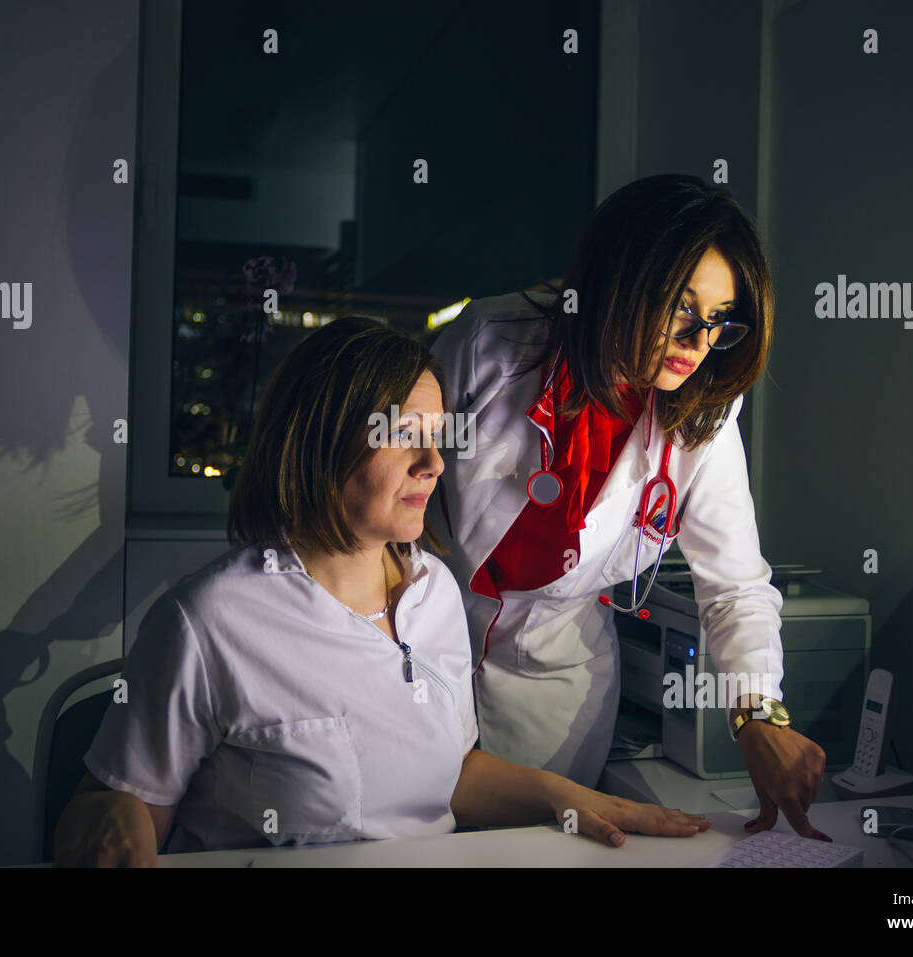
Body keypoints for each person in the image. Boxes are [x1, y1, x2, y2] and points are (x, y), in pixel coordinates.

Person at [53, 316, 712, 865]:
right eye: (403, 438)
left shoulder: (436, 595)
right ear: (320, 442)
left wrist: (564, 797)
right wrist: (116, 816)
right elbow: (120, 800)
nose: (433, 465)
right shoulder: (211, 619)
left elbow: (453, 772)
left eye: (436, 438)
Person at [426, 174, 831, 841]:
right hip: (419, 644)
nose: (699, 339)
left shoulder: (705, 409)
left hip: (551, 680)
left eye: (721, 320)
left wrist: (758, 713)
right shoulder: (489, 342)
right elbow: (386, 493)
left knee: (529, 852)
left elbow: (733, 583)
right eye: (681, 305)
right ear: (618, 277)